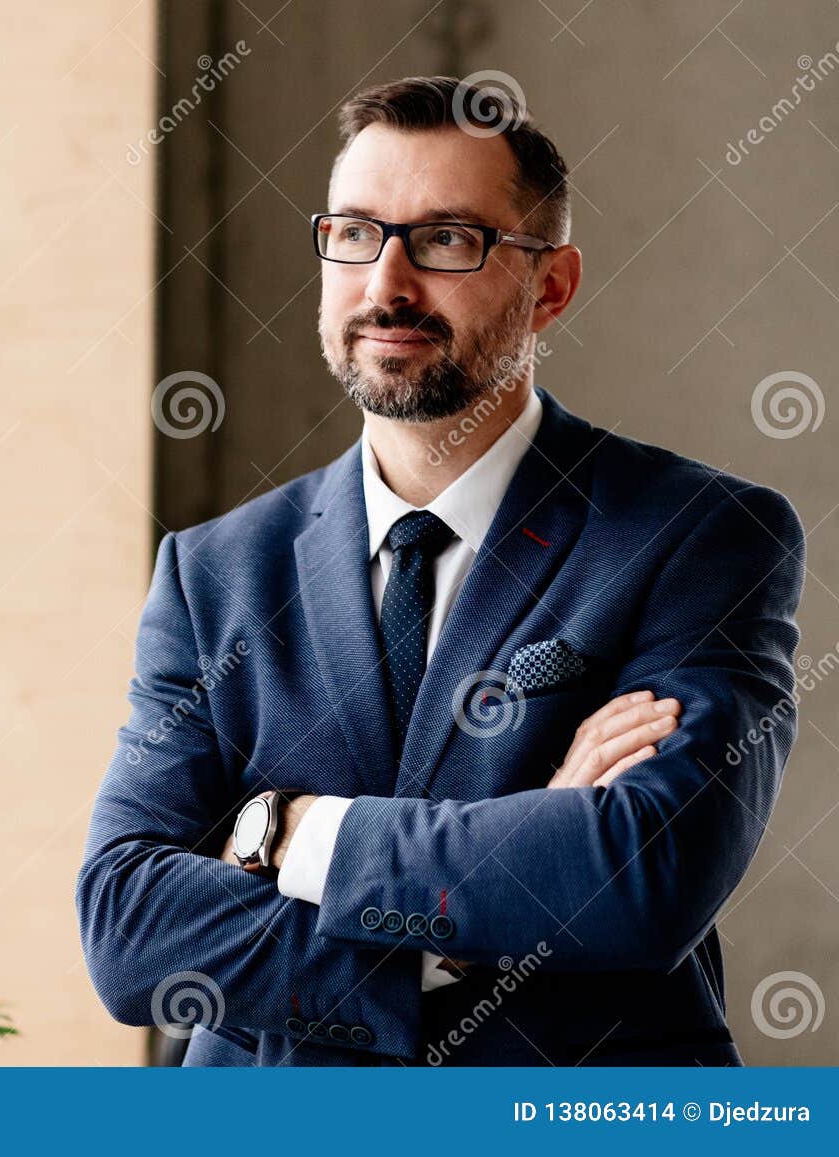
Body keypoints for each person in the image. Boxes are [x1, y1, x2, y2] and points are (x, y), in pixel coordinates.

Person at [76, 75, 804, 1066]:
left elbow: (641, 875)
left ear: (549, 284)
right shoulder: (213, 574)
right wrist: (488, 903)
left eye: (447, 239)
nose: (386, 284)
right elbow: (127, 930)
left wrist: (292, 833)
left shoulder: (697, 534)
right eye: (354, 234)